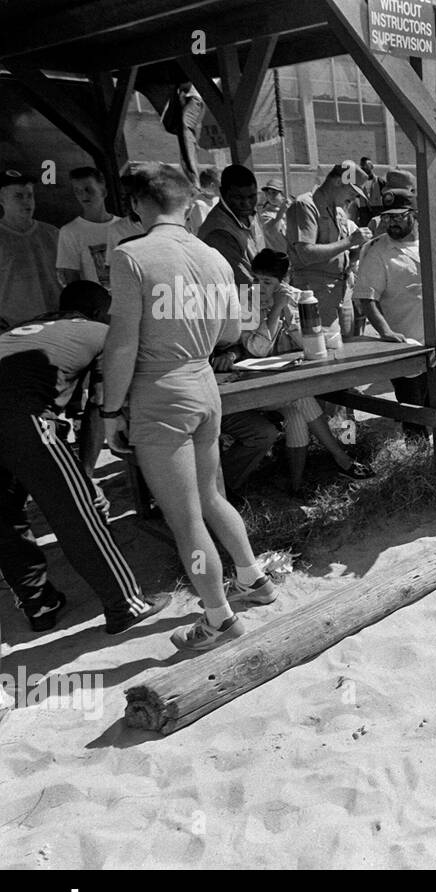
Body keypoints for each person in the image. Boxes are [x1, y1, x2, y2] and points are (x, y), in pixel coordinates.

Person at [102, 161, 277, 652]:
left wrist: (110, 409)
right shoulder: (214, 257)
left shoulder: (132, 255)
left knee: (185, 520)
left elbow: (121, 343)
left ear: (140, 203)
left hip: (159, 390)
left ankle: (218, 618)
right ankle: (253, 578)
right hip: (204, 383)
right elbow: (230, 333)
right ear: (185, 201)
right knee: (212, 495)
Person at [0, 281, 166, 634]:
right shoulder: (102, 333)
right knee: (77, 513)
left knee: (4, 519)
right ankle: (126, 604)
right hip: (23, 419)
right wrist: (84, 477)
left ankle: (40, 605)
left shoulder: (27, 329)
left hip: (14, 410)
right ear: (96, 311)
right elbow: (98, 409)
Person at [246, 250, 373, 495]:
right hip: (256, 385)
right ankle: (341, 457)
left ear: (284, 280)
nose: (259, 287)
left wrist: (291, 318)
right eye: (256, 280)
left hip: (286, 380)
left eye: (267, 282)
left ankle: (296, 485)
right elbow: (256, 350)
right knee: (302, 396)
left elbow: (312, 343)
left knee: (297, 417)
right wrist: (275, 312)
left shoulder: (299, 298)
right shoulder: (247, 301)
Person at [356, 188, 436, 445]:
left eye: (398, 216)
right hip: (409, 345)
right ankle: (419, 462)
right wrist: (385, 332)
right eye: (387, 217)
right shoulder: (377, 251)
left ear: (415, 214)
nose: (391, 222)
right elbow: (367, 298)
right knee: (414, 415)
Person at [286, 161, 373, 337]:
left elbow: (339, 253)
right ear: (339, 182)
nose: (354, 199)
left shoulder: (338, 211)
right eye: (352, 192)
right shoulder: (305, 205)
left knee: (347, 348)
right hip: (315, 291)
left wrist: (360, 250)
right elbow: (306, 254)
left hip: (340, 290)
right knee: (323, 347)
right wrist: (350, 240)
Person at [56, 167, 141, 288]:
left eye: (88, 189)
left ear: (103, 192)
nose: (84, 195)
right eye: (78, 191)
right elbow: (71, 279)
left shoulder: (125, 226)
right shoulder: (70, 232)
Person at [0, 169, 61, 329]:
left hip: (57, 322)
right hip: (14, 328)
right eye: (18, 196)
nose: (27, 201)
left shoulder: (53, 233)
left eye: (30, 195)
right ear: (1, 199)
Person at [196, 164, 266, 288]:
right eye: (238, 197)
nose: (246, 204)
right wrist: (277, 304)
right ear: (223, 193)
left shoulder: (249, 214)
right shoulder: (218, 233)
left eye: (252, 196)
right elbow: (246, 288)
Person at [257, 178, 290, 255]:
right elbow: (273, 230)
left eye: (274, 192)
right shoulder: (265, 214)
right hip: (276, 257)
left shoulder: (291, 210)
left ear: (283, 195)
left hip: (293, 257)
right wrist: (281, 212)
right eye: (268, 193)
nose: (270, 196)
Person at [186, 167, 220, 234]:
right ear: (212, 186)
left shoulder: (217, 199)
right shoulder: (199, 204)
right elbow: (202, 231)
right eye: (221, 185)